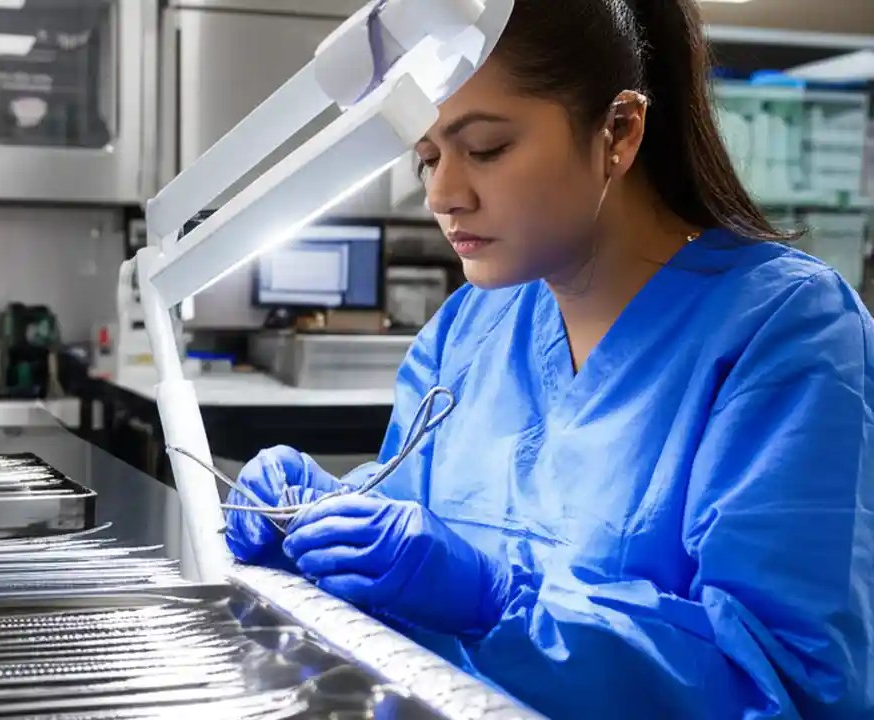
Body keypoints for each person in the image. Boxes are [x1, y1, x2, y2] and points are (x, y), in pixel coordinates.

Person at [224, 0, 874, 718]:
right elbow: (403, 551)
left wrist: (497, 600)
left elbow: (787, 685)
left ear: (619, 130)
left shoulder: (785, 329)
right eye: (429, 157)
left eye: (487, 149)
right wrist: (318, 524)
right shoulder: (471, 326)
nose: (444, 196)